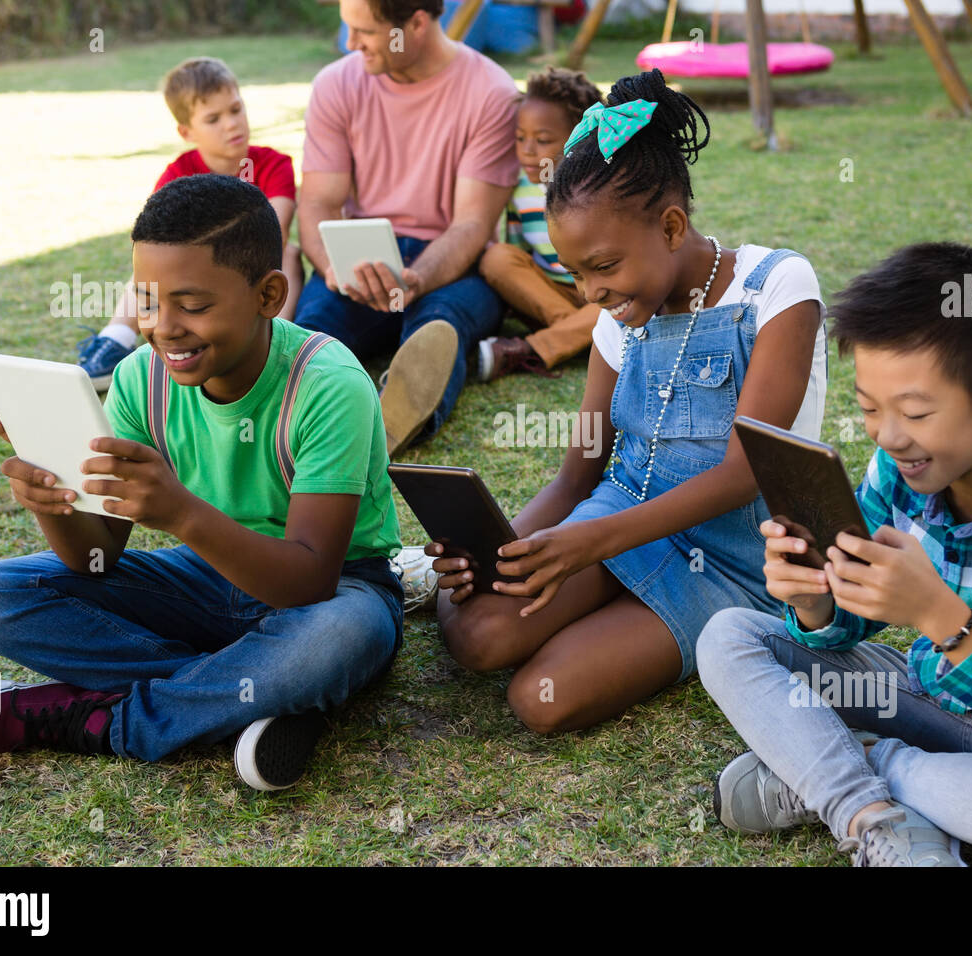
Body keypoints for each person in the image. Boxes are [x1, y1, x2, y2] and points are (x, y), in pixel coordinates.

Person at [0, 175, 404, 792]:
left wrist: (183, 515)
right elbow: (94, 560)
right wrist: (54, 502)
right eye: (149, 302)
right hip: (210, 582)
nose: (164, 327)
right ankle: (252, 696)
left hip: (334, 589)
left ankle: (99, 719)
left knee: (338, 639)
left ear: (268, 295)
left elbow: (309, 581)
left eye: (194, 305)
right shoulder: (139, 379)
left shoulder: (327, 382)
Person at [697, 242, 972, 866]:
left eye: (915, 411)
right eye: (869, 409)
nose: (888, 435)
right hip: (917, 695)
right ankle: (872, 817)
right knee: (728, 637)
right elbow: (843, 631)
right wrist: (814, 603)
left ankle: (855, 767)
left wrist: (944, 618)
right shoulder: (899, 464)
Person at [428, 70, 827, 733]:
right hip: (614, 521)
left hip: (728, 560)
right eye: (574, 274)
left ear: (672, 226)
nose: (588, 294)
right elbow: (578, 475)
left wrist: (586, 544)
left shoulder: (776, 287)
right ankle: (455, 584)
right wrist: (496, 555)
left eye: (603, 268)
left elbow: (744, 472)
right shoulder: (618, 315)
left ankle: (672, 625)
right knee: (477, 636)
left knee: (542, 697)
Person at [295, 0, 520, 457]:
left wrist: (416, 279)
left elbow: (472, 224)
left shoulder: (490, 91)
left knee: (437, 328)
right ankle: (298, 415)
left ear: (417, 23)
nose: (350, 43)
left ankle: (397, 421)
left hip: (454, 266)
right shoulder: (336, 84)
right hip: (359, 261)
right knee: (312, 333)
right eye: (347, 28)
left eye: (365, 32)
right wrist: (335, 270)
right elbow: (318, 201)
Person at [77, 57, 304, 390]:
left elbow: (276, 230)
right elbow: (160, 241)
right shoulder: (178, 172)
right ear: (186, 132)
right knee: (148, 273)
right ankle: (116, 339)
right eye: (213, 118)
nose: (231, 124)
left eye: (235, 109)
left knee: (290, 256)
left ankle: (272, 352)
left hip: (249, 267)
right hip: (191, 276)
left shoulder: (273, 164)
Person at [476, 66, 604, 382]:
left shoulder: (600, 188)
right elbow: (517, 253)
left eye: (543, 140)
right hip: (550, 296)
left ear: (580, 138)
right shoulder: (518, 188)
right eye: (520, 138)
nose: (528, 151)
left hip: (602, 294)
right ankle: (577, 335)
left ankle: (536, 348)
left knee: (618, 306)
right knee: (497, 257)